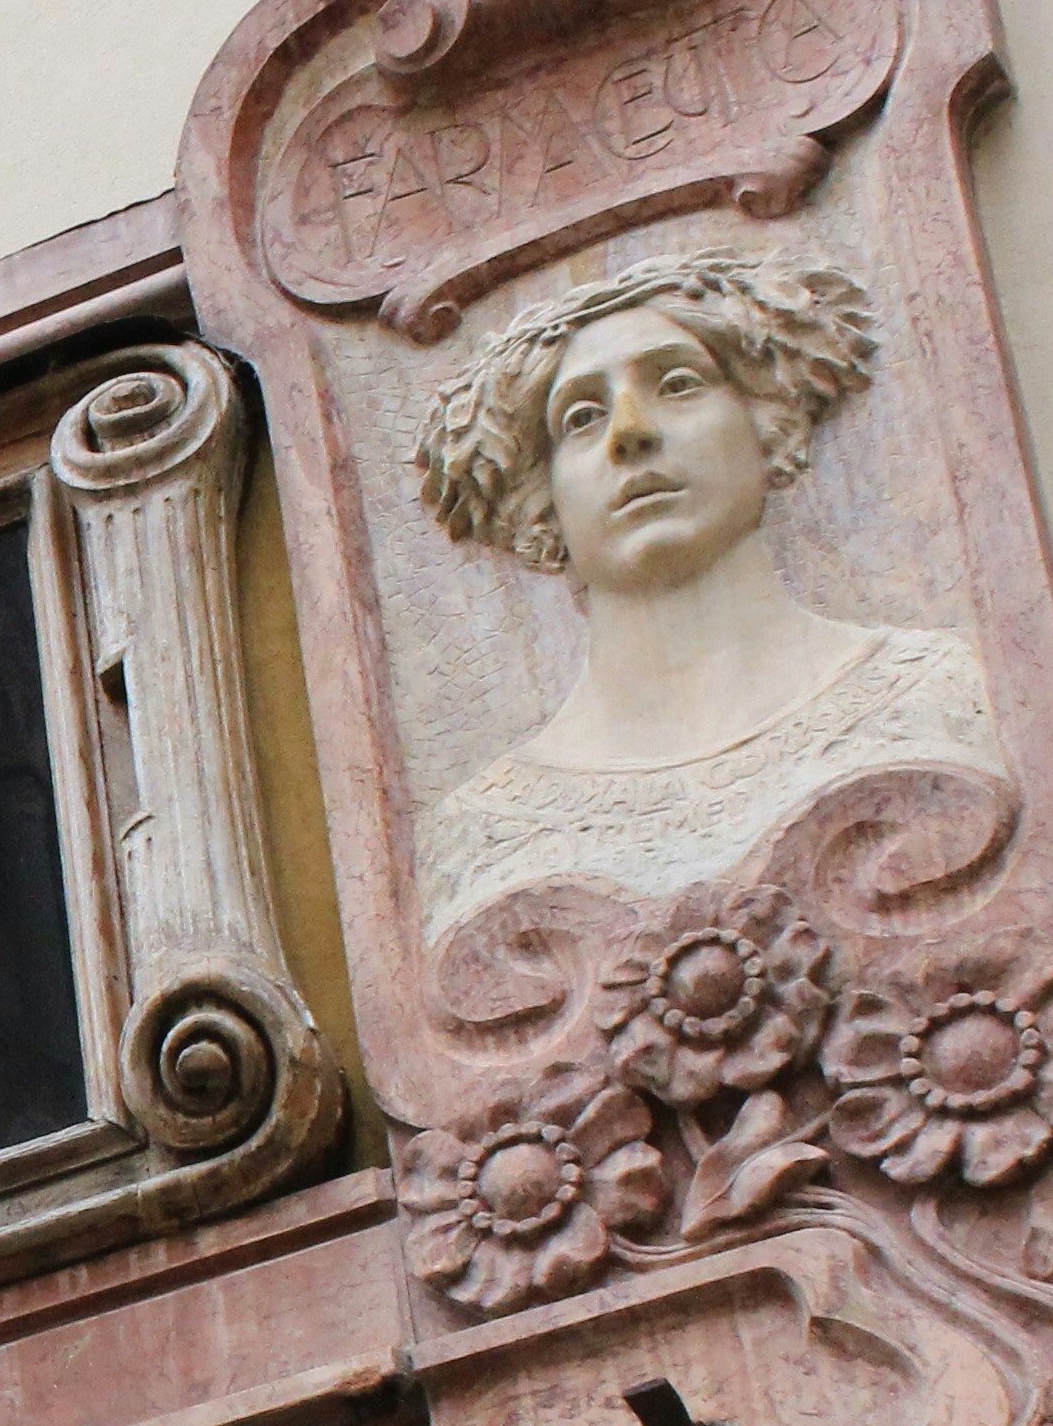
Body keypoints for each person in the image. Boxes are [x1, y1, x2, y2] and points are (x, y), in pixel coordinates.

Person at [406, 245, 998, 935]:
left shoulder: (937, 691)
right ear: (541, 501)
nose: (631, 434)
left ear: (769, 426)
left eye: (679, 384)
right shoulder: (481, 832)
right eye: (582, 418)